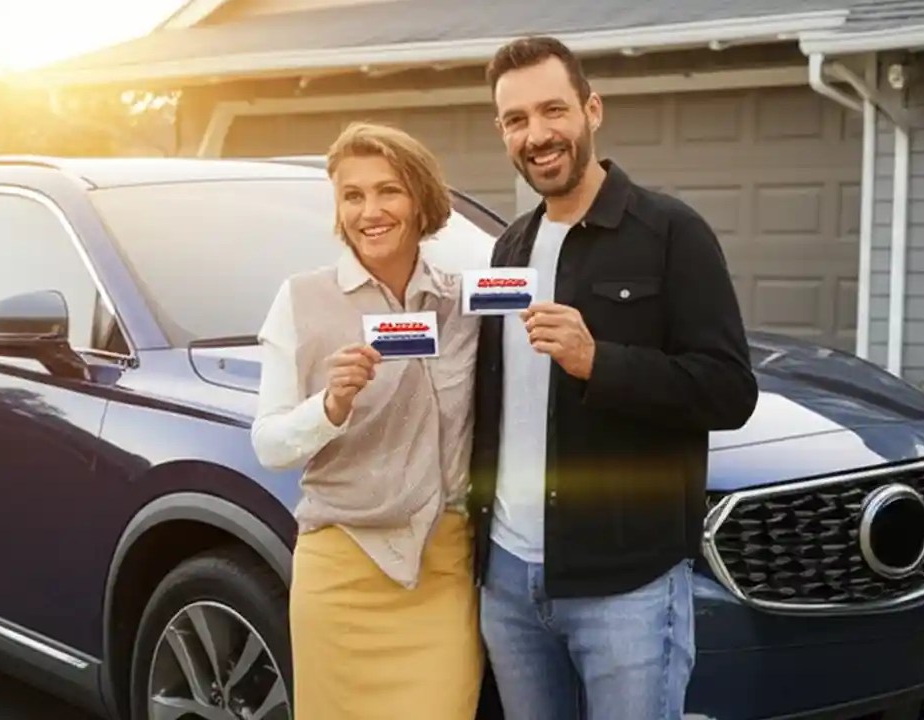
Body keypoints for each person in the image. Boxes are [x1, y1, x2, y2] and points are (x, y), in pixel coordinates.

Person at [467, 36, 760, 719]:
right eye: (516, 120)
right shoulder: (507, 248)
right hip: (509, 584)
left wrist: (600, 361)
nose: (537, 135)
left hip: (626, 589)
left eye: (553, 110)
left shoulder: (670, 233)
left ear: (592, 109)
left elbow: (728, 389)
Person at [250, 121, 485, 720]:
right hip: (341, 574)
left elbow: (550, 306)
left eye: (389, 191)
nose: (370, 211)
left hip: (442, 570)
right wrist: (328, 407)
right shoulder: (300, 300)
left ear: (422, 200)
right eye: (352, 196)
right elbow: (270, 444)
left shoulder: (468, 303)